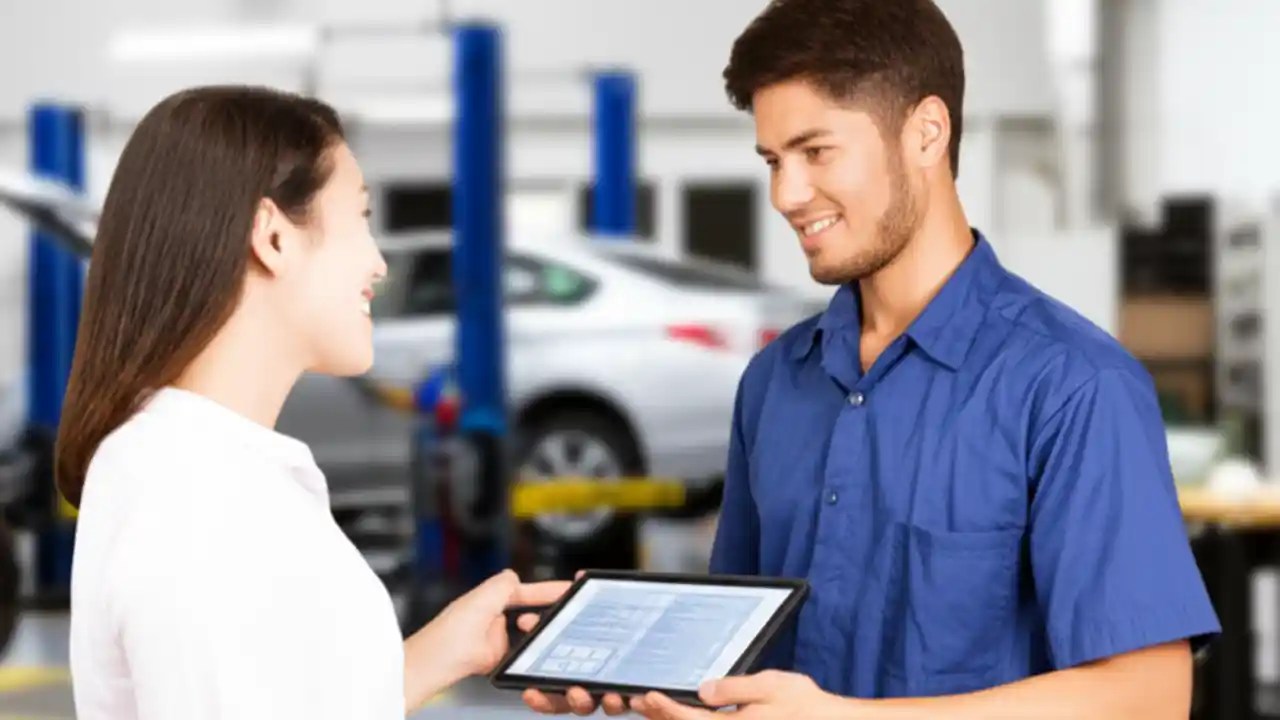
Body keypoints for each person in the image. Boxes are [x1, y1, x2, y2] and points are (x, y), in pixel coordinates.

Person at [525, 0, 1220, 717]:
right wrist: (642, 664)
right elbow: (738, 659)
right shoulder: (774, 383)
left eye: (816, 151)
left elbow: (1149, 695)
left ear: (926, 132)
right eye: (772, 160)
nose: (786, 195)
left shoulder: (1075, 387)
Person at [58, 85, 566, 719]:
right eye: (360, 217)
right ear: (272, 237)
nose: (379, 263)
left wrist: (439, 654)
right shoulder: (197, 498)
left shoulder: (189, 466)